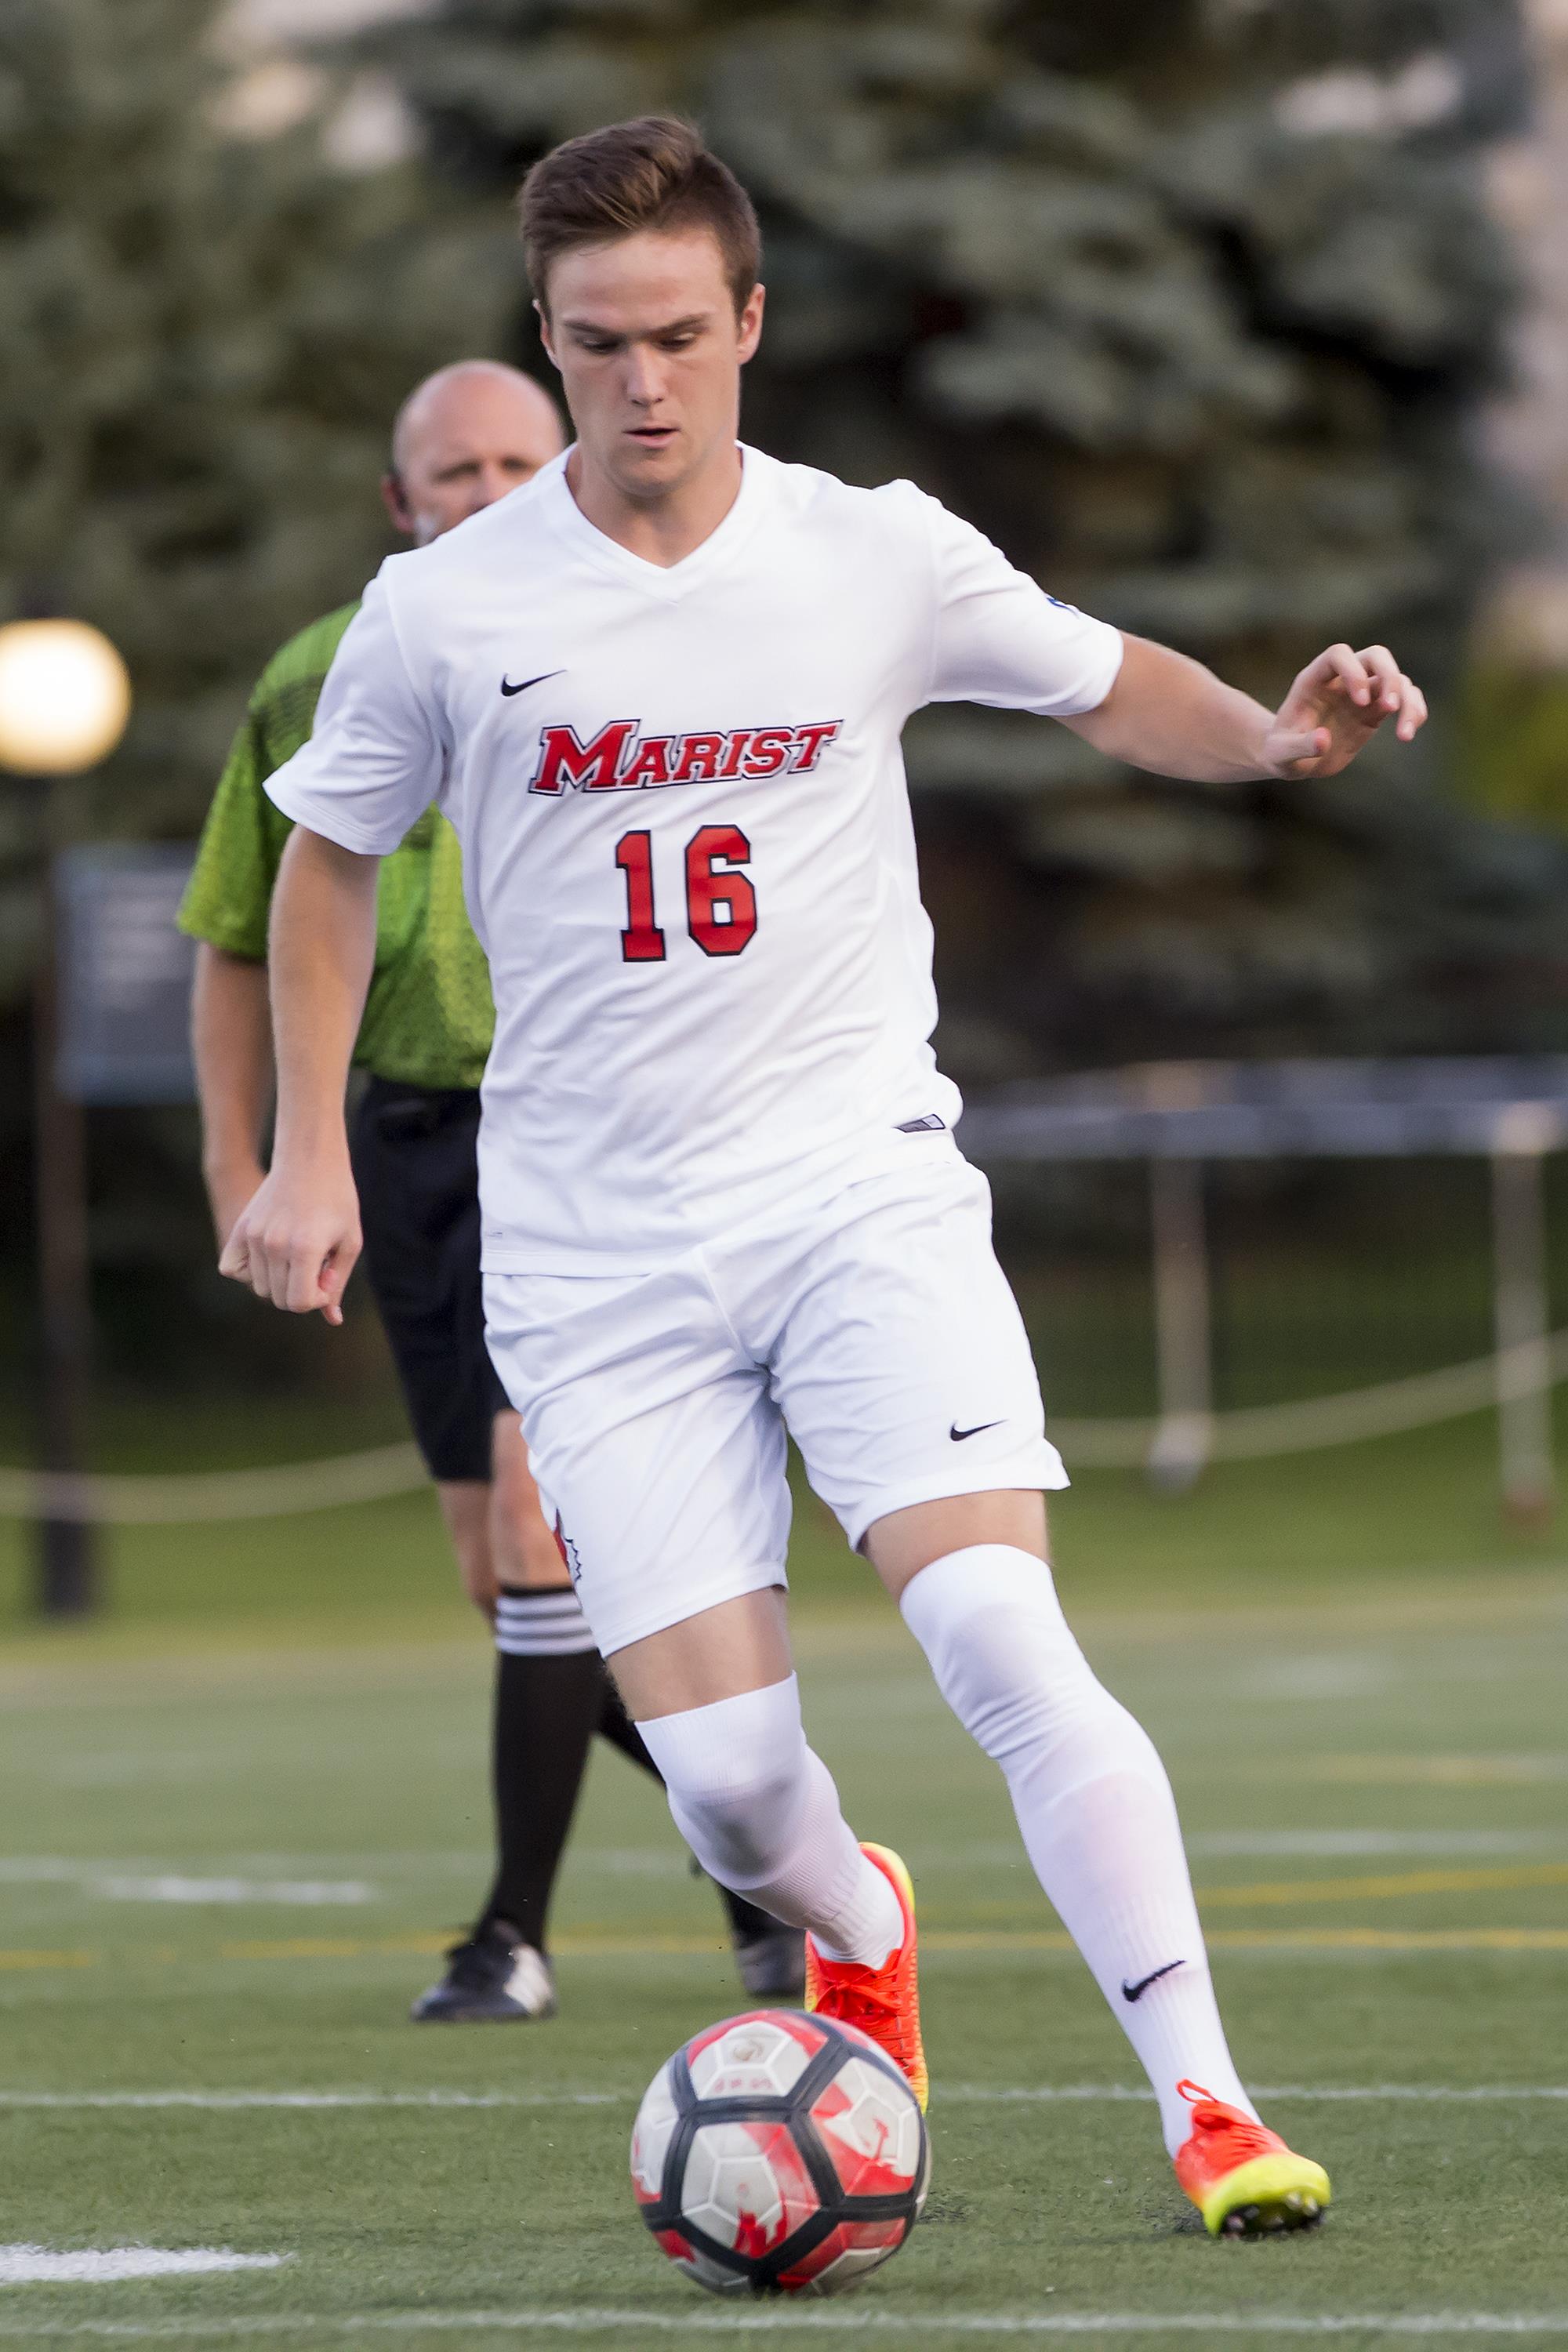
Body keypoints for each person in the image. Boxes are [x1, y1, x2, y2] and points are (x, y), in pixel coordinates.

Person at [223, 120, 1428, 2237]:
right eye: (599, 344)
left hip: (859, 1195)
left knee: (999, 1638)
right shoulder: (446, 607)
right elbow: (324, 867)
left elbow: (1095, 674)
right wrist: (304, 1150)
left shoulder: (868, 548)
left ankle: (1212, 2105)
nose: (646, 382)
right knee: (730, 1785)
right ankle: (855, 1912)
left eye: (685, 334)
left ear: (753, 324)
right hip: (594, 1261)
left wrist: (1281, 739)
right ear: (549, 338)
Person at [182, 354, 804, 2024]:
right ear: (401, 508)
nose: (482, 491)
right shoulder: (329, 670)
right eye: (446, 473)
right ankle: (768, 1853)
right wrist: (248, 1163)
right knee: (503, 1576)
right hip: (400, 1141)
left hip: (578, 1130)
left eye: (511, 461)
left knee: (541, 1541)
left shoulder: (641, 639)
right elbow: (241, 943)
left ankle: (510, 1939)